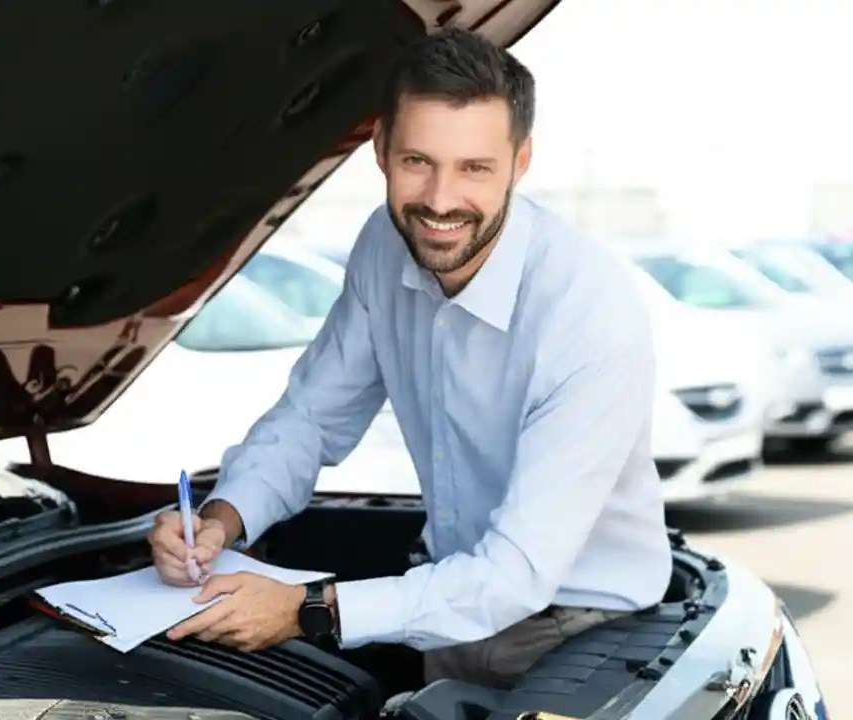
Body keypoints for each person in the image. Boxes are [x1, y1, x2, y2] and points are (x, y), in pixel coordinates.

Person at [148, 27, 671, 690]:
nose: (441, 199)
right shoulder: (383, 245)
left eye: (474, 167)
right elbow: (310, 419)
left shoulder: (586, 312)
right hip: (445, 605)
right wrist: (220, 522)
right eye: (417, 161)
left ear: (521, 161)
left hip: (581, 633)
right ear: (380, 151)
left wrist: (308, 612)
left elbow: (514, 575)